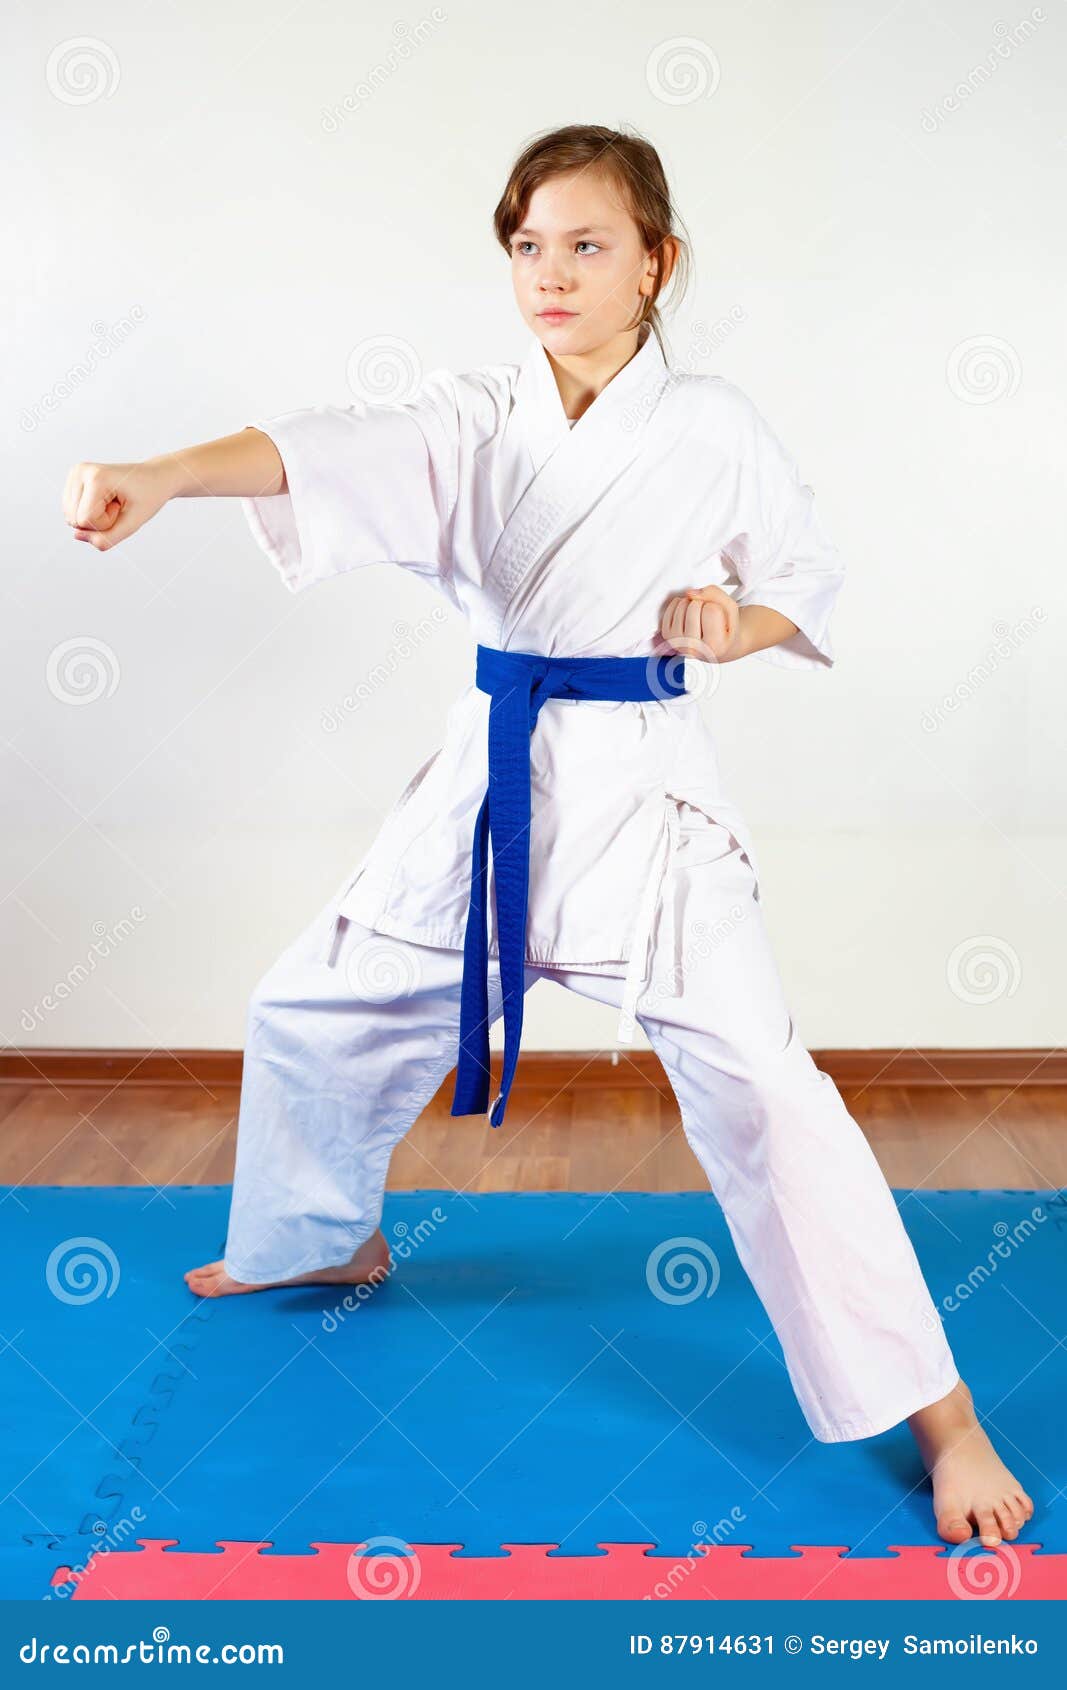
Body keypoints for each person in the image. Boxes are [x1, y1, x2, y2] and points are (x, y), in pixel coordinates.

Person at [62, 123, 1033, 1550]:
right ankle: (324, 1231)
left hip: (646, 789)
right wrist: (161, 469)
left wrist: (733, 622)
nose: (552, 274)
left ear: (659, 263)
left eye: (588, 244)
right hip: (494, 776)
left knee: (766, 1093)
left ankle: (945, 1414)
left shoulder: (714, 432)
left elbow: (807, 579)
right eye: (528, 246)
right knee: (310, 1007)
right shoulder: (474, 416)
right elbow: (325, 449)